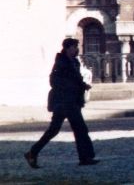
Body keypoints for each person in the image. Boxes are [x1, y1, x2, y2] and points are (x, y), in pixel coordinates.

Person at [24, 38, 97, 168]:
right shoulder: (61, 62)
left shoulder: (73, 62)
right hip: (64, 102)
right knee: (78, 129)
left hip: (71, 101)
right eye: (74, 47)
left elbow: (76, 80)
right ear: (68, 48)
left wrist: (83, 86)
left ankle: (32, 153)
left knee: (59, 130)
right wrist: (71, 89)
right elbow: (54, 81)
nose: (76, 49)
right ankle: (85, 157)